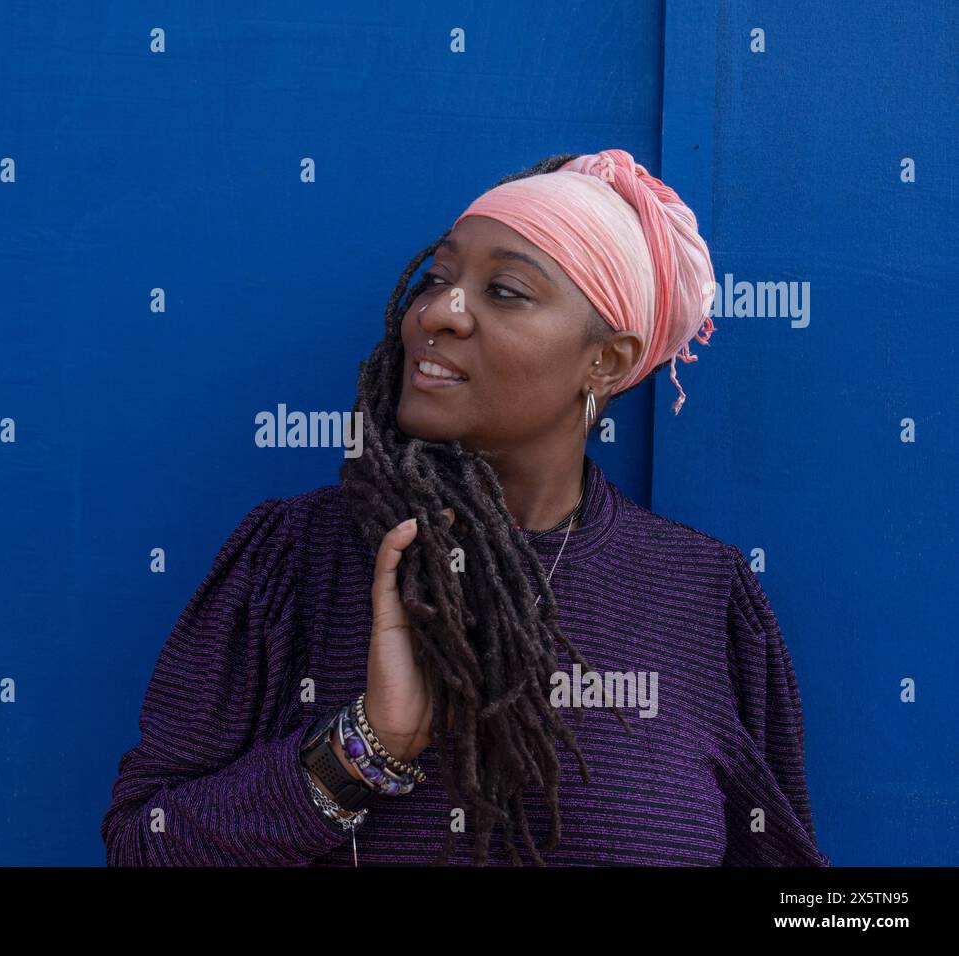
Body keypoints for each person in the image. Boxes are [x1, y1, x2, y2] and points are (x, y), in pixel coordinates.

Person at [100, 148, 831, 867]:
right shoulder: (296, 561)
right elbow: (143, 847)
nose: (438, 313)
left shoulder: (700, 594)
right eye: (437, 278)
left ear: (605, 360)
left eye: (505, 291)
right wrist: (366, 746)